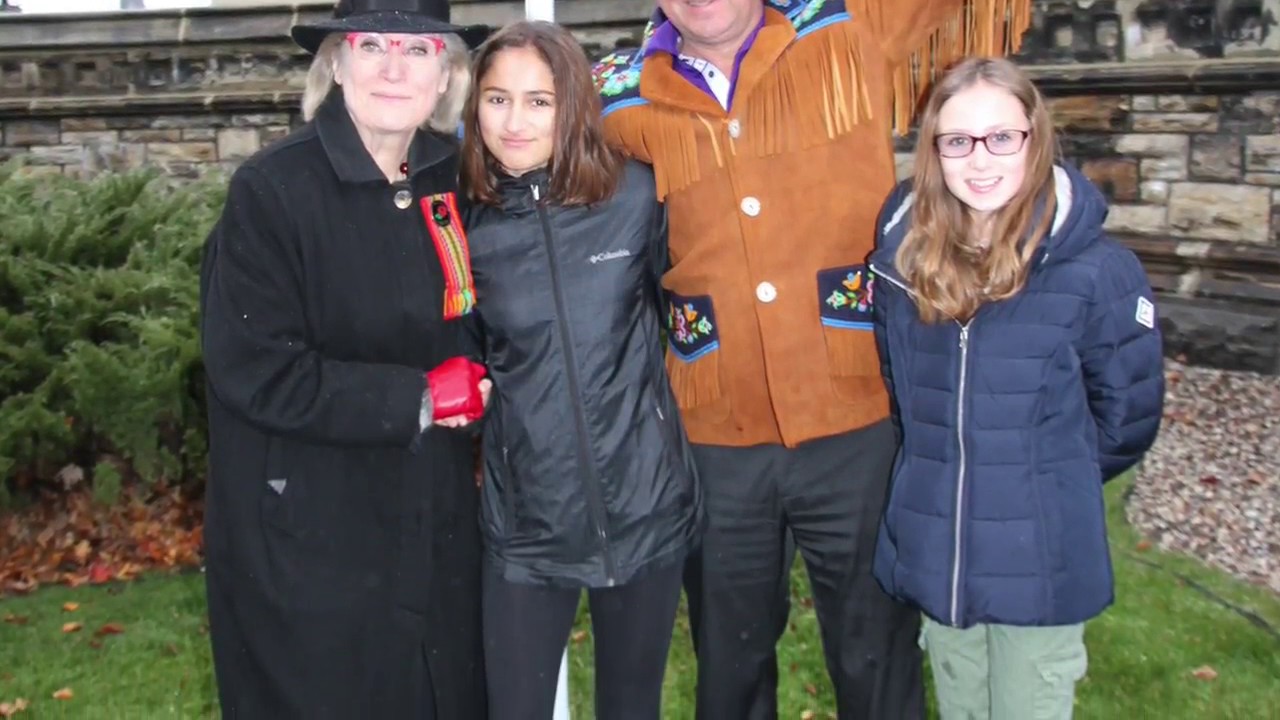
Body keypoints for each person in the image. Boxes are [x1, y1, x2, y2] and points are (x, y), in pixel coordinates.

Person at [593, 0, 1033, 717]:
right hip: (714, 432)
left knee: (876, 653)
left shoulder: (846, 30)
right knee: (728, 664)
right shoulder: (618, 94)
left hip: (855, 416)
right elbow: (512, 139)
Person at [198, 0, 492, 716]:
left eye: (417, 50)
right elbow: (254, 367)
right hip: (311, 540)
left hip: (438, 526)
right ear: (337, 62)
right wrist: (417, 398)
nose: (394, 68)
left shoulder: (456, 178)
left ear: (446, 71)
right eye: (372, 46)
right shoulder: (272, 192)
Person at [869, 57, 1165, 719]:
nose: (980, 159)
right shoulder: (905, 265)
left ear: (1035, 138)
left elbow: (1127, 418)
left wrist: (1043, 478)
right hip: (938, 550)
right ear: (934, 151)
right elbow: (906, 393)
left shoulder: (1096, 272)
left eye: (1001, 137)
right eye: (957, 141)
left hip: (1041, 556)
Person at [459, 20, 703, 720]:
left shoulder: (635, 199)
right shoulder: (464, 225)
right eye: (498, 98)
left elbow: (686, 308)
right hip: (527, 527)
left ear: (573, 106)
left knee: (632, 707)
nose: (515, 121)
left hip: (644, 507)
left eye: (540, 101)